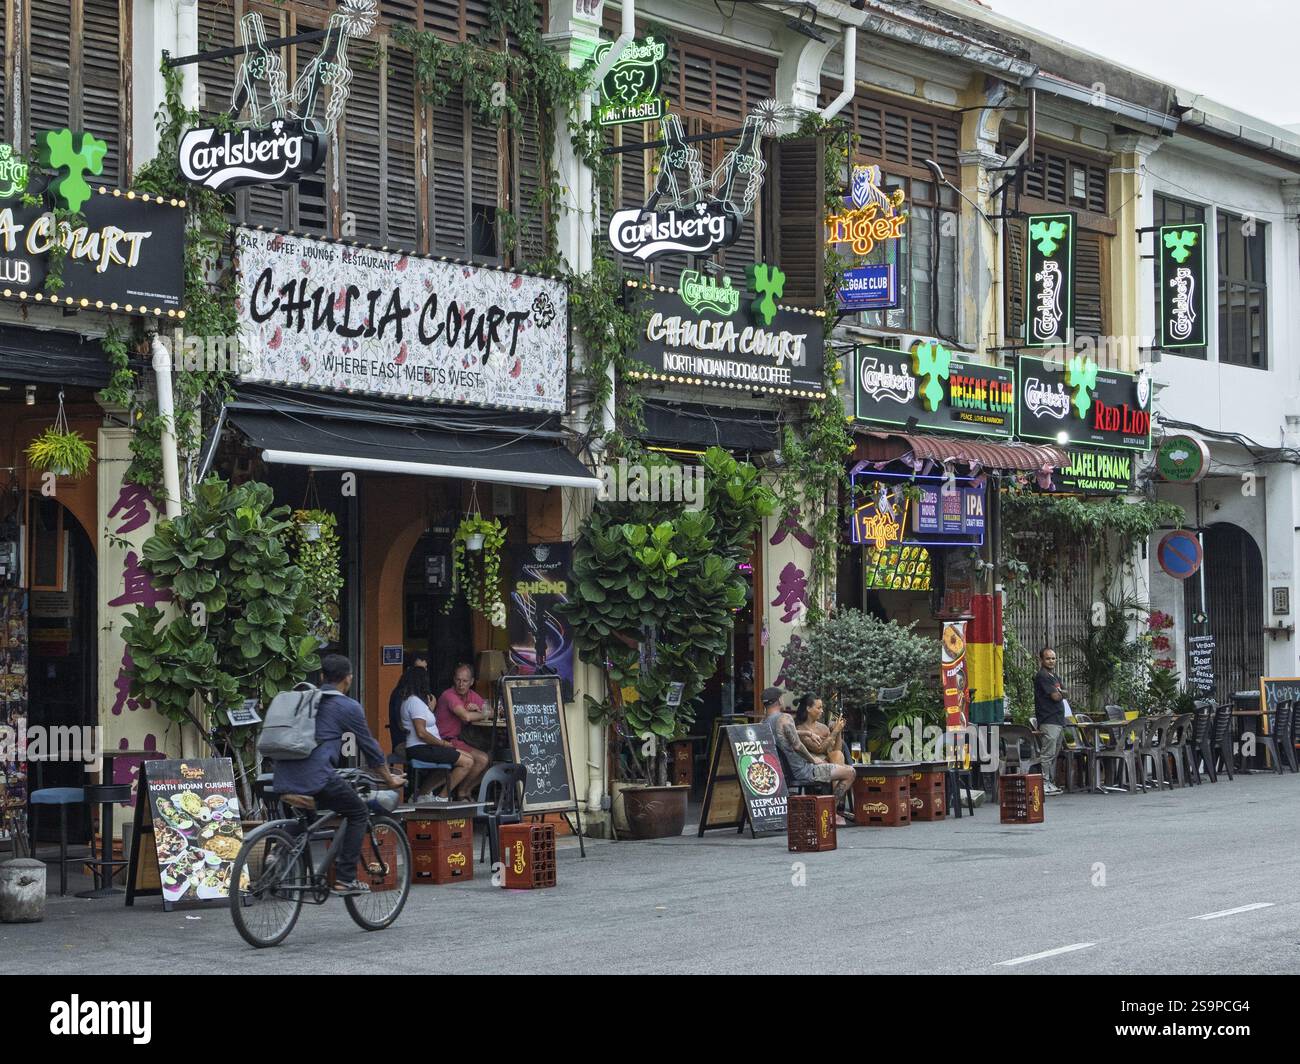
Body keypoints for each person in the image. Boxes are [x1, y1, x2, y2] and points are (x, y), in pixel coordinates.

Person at [271, 655, 405, 896]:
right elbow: (370, 747)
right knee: (358, 811)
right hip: (316, 776)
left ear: (321, 677)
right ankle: (345, 879)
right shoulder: (347, 706)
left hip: (282, 775)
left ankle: (277, 850)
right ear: (348, 679)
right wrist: (389, 778)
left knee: (309, 818)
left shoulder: (301, 700)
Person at [763, 687, 855, 825]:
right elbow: (797, 746)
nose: (783, 699)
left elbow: (784, 734)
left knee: (842, 764)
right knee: (850, 772)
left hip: (784, 772)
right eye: (782, 697)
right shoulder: (784, 717)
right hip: (803, 770)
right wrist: (813, 760)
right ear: (778, 701)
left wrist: (806, 733)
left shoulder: (764, 723)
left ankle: (829, 811)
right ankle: (829, 812)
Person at [398, 666, 475, 801]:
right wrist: (443, 743)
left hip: (424, 747)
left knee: (467, 757)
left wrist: (429, 709)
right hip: (422, 748)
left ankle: (422, 795)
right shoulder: (414, 702)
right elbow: (421, 733)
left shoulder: (411, 701)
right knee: (467, 762)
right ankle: (442, 797)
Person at [434, 662, 492, 799]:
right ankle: (455, 793)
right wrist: (482, 713)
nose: (461, 684)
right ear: (453, 679)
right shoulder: (449, 695)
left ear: (471, 682)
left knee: (489, 760)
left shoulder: (471, 695)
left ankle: (465, 790)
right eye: (458, 680)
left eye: (465, 681)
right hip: (444, 740)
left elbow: (491, 711)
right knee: (482, 759)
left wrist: (478, 710)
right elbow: (465, 716)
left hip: (459, 740)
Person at [1034, 647, 1067, 796]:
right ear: (1041, 660)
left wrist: (1061, 693)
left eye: (1053, 658)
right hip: (1048, 719)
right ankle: (1044, 782)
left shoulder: (1054, 676)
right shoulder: (1042, 676)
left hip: (1058, 720)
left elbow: (1065, 693)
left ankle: (1049, 781)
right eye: (1048, 658)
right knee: (1047, 753)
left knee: (1054, 752)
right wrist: (1060, 693)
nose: (1051, 661)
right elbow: (1056, 697)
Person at [388, 655, 428, 750]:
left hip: (424, 742)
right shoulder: (402, 694)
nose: (423, 673)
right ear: (409, 670)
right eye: (419, 669)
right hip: (406, 743)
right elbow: (402, 725)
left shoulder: (423, 693)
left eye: (425, 669)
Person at [794, 693, 846, 765]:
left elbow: (836, 751)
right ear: (808, 708)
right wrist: (835, 731)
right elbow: (819, 749)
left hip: (828, 763)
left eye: (822, 708)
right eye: (819, 708)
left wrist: (838, 731)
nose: (822, 711)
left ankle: (839, 772)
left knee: (838, 755)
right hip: (811, 765)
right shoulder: (800, 729)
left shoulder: (824, 728)